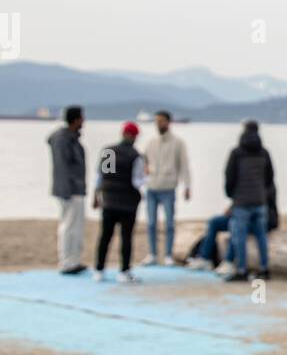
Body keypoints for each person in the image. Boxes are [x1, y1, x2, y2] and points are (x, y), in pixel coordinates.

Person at [93, 121, 146, 283]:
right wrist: (148, 177)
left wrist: (97, 195)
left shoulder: (109, 151)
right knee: (126, 237)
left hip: (109, 200)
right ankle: (124, 271)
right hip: (128, 203)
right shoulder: (136, 156)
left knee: (105, 236)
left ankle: (99, 269)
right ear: (135, 137)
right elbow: (137, 181)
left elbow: (102, 176)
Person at [223, 120, 274, 281]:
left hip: (242, 201)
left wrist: (231, 195)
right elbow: (270, 177)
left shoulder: (237, 153)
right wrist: (262, 193)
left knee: (240, 237)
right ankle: (264, 268)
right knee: (261, 237)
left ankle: (242, 269)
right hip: (260, 200)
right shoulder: (264, 152)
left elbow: (229, 176)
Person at [140, 110, 191, 266]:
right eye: (156, 121)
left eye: (161, 121)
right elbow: (143, 163)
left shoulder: (178, 143)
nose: (158, 124)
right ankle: (153, 254)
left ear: (169, 122)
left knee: (169, 223)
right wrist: (143, 178)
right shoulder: (150, 143)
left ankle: (168, 254)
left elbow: (184, 166)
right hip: (152, 188)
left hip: (168, 188)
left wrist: (187, 186)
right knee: (151, 223)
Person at [47, 106, 88, 274]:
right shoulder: (63, 140)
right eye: (82, 118)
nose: (84, 121)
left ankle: (73, 259)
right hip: (70, 189)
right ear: (76, 119)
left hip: (73, 188)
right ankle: (66, 261)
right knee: (68, 226)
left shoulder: (69, 138)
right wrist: (68, 189)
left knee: (75, 226)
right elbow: (64, 166)